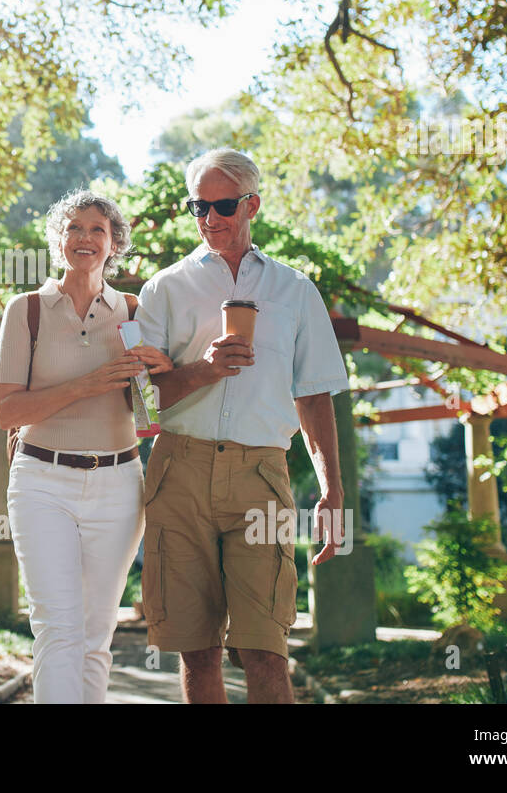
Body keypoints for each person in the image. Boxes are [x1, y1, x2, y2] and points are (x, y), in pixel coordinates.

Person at [135, 148, 350, 704]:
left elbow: (315, 393)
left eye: (223, 204)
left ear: (252, 203)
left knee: (265, 647)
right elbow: (142, 402)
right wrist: (205, 371)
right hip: (179, 471)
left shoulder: (296, 290)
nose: (210, 218)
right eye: (198, 207)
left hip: (262, 476)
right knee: (198, 650)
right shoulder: (165, 289)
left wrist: (332, 491)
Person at [0, 189, 173, 704]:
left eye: (98, 229)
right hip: (42, 482)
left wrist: (155, 377)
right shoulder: (26, 310)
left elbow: (148, 417)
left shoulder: (134, 310)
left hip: (119, 483)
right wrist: (88, 383)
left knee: (96, 637)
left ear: (114, 243)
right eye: (74, 228)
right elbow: (9, 412)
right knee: (57, 627)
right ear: (59, 240)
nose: (85, 238)